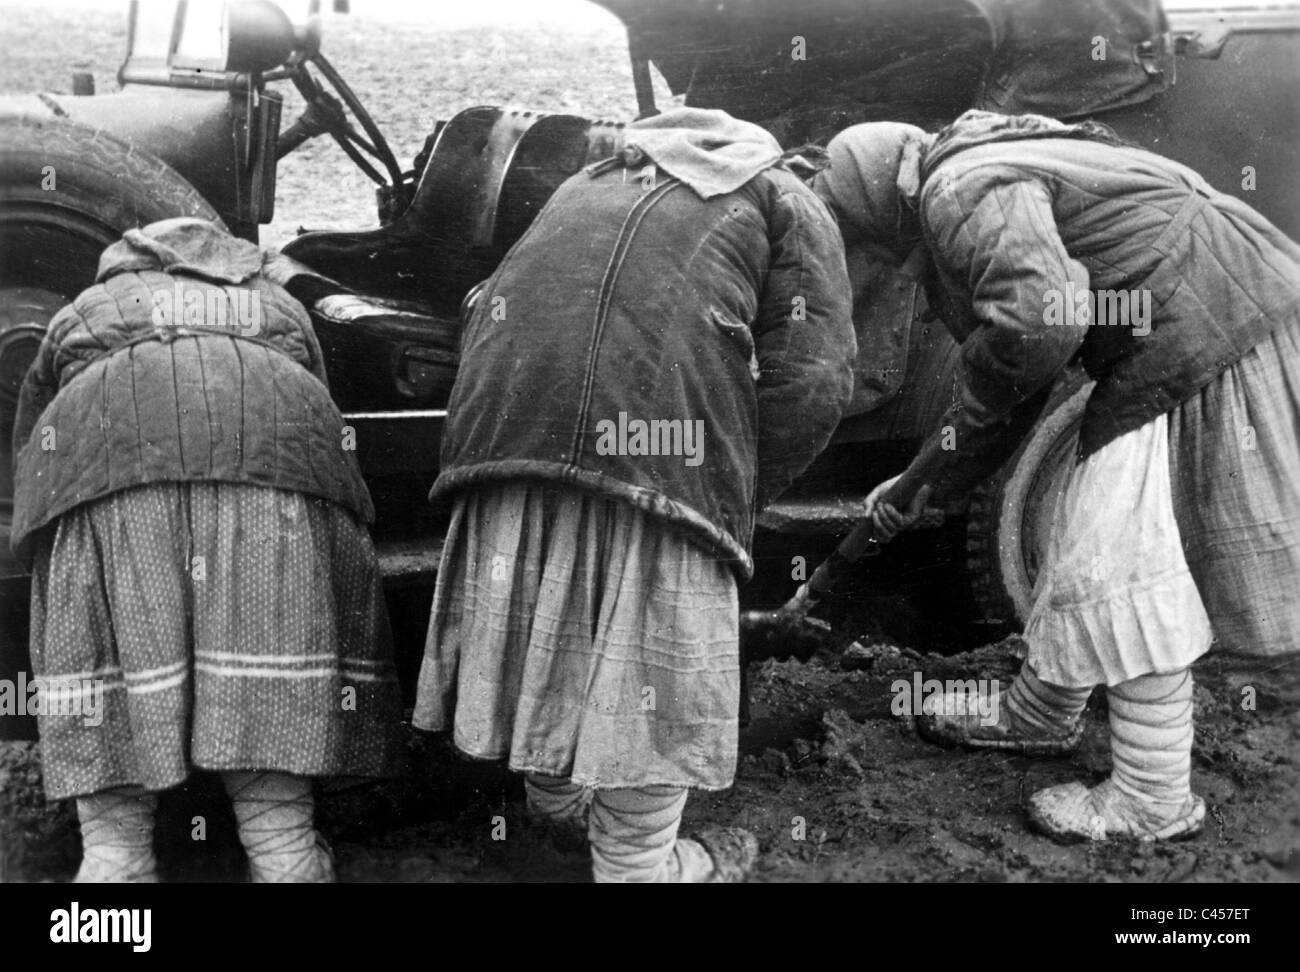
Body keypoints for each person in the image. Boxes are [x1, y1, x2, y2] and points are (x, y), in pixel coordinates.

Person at [812, 110, 1300, 841]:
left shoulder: (958, 189)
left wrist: (931, 472)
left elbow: (1037, 326)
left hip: (1205, 321)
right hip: (1212, 303)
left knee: (1122, 568)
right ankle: (1040, 712)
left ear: (888, 212)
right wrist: (923, 479)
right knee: (1083, 535)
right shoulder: (980, 158)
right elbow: (1031, 357)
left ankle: (1152, 795)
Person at [413, 107, 856, 882]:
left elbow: (486, 301)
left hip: (503, 433)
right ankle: (641, 864)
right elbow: (815, 377)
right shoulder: (786, 195)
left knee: (543, 632)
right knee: (651, 674)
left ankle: (555, 807)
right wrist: (737, 493)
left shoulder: (589, 180)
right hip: (657, 460)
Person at [11, 218, 405, 881]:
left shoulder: (84, 309)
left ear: (129, 262)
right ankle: (286, 861)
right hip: (266, 481)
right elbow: (320, 396)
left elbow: (30, 435)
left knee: (109, 675)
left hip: (112, 481)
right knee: (261, 670)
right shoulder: (275, 302)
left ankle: (116, 864)